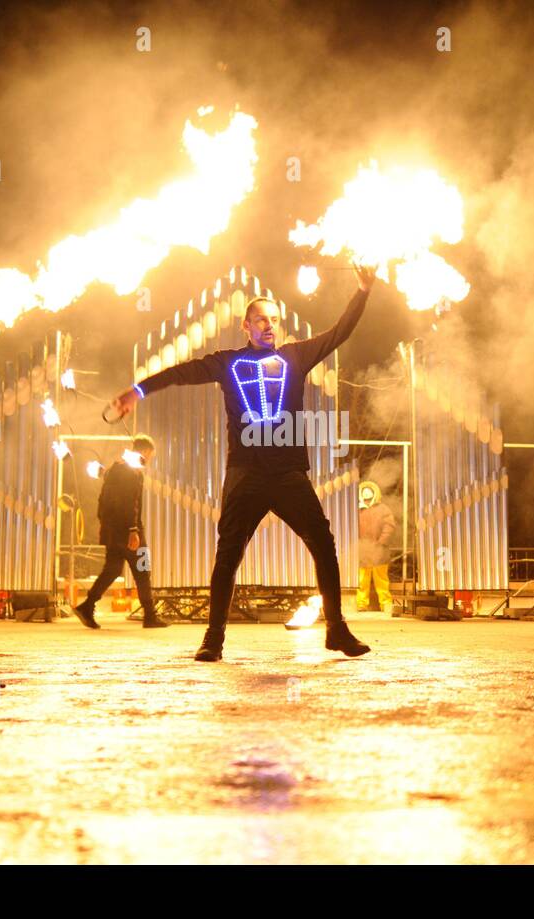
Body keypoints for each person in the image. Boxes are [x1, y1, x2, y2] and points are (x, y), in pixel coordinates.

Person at [108, 264, 377, 661]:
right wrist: (137, 392)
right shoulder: (227, 363)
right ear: (246, 326)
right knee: (228, 556)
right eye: (261, 321)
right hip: (245, 475)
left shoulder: (296, 357)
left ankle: (336, 629)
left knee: (323, 543)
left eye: (274, 321)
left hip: (288, 475)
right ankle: (213, 640)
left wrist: (363, 290)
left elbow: (340, 332)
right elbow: (181, 373)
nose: (269, 326)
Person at [73, 434, 169, 630]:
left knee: (113, 569)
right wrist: (133, 530)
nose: (149, 459)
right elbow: (130, 503)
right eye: (150, 454)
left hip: (112, 530)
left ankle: (87, 605)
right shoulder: (133, 473)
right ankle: (150, 616)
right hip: (128, 530)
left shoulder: (114, 469)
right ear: (144, 451)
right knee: (143, 570)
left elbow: (105, 501)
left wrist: (107, 527)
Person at [355, 480, 395, 614]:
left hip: (380, 550)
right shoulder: (356, 509)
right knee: (361, 580)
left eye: (369, 490)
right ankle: (361, 604)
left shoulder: (383, 509)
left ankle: (386, 604)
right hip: (363, 550)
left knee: (382, 580)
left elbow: (389, 526)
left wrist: (381, 541)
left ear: (374, 493)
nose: (366, 492)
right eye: (364, 490)